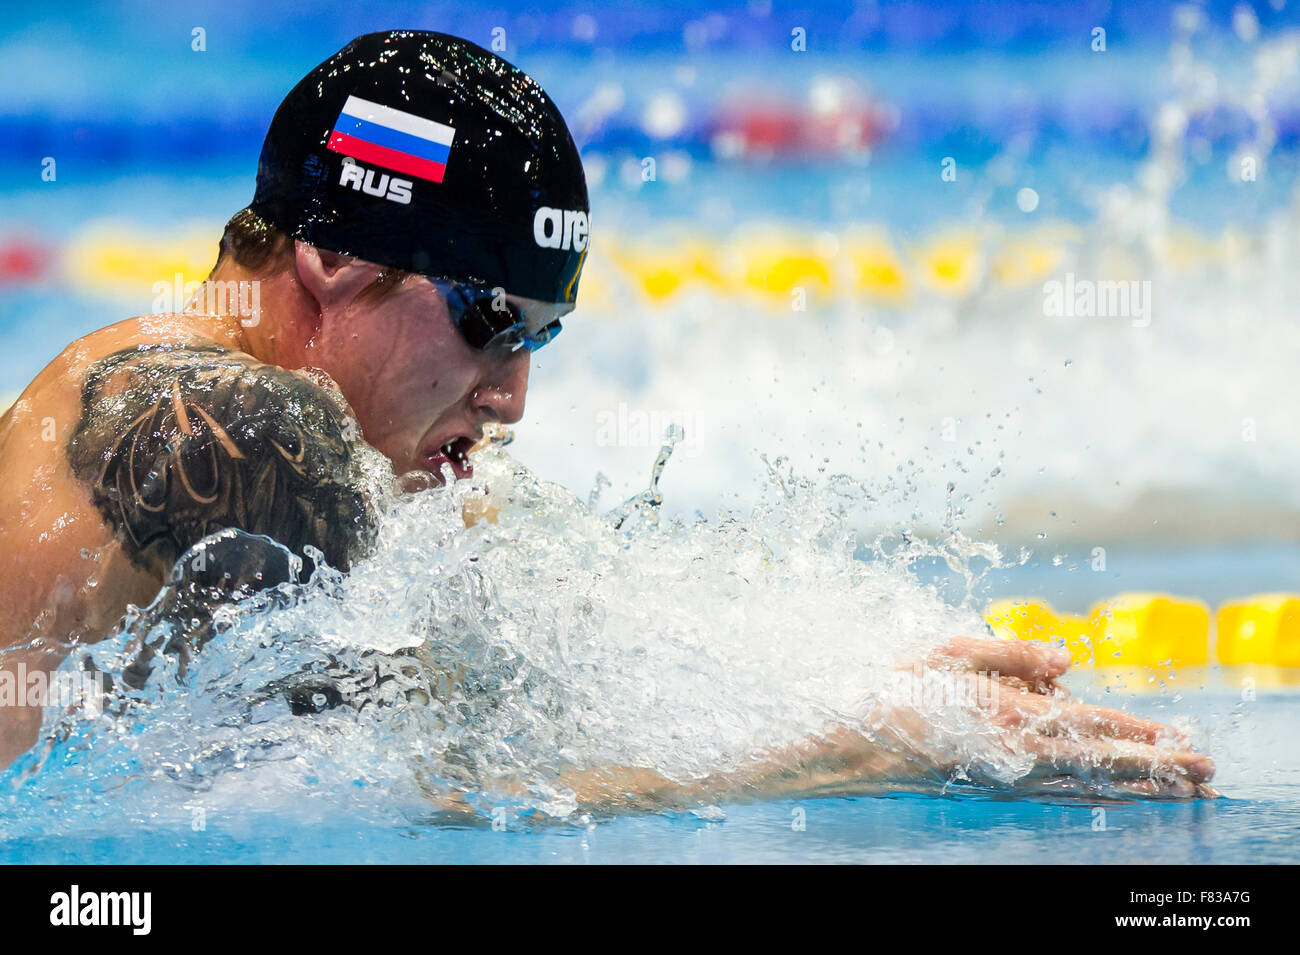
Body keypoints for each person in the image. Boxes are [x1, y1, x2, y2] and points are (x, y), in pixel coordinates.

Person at [0, 31, 1215, 801]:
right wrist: (855, 746)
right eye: (485, 321)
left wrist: (833, 677)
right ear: (330, 254)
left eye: (538, 338)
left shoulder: (259, 417)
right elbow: (447, 783)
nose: (513, 394)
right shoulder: (239, 430)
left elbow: (501, 668)